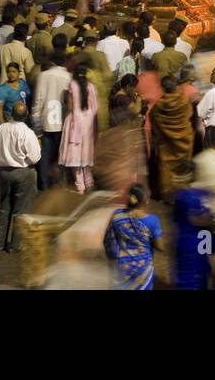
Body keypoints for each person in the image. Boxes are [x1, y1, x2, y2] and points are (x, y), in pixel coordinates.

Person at [0, 102, 40, 252]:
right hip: (23, 173)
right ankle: (15, 245)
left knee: (4, 208)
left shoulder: (1, 129)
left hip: (5, 172)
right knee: (21, 210)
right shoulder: (27, 133)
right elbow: (35, 158)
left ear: (11, 113)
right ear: (26, 116)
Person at [104, 183, 164, 290]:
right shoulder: (152, 220)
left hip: (122, 269)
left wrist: (113, 258)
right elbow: (160, 247)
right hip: (143, 271)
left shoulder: (117, 215)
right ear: (145, 200)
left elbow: (108, 240)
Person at [31, 49, 70, 190]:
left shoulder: (43, 76)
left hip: (46, 121)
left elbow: (38, 99)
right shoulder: (68, 77)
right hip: (62, 121)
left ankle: (44, 184)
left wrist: (35, 118)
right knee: (60, 156)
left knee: (44, 156)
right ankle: (58, 183)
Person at [150, 76, 194, 200]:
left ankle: (169, 196)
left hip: (167, 142)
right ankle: (184, 193)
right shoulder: (184, 100)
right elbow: (189, 114)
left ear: (163, 88)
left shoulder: (159, 105)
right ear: (175, 86)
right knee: (183, 168)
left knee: (166, 168)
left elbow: (154, 121)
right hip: (185, 139)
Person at [60, 63, 99, 193]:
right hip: (88, 122)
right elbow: (95, 107)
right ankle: (89, 182)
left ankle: (80, 186)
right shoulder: (91, 86)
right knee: (86, 154)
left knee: (75, 156)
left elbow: (71, 106)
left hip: (75, 121)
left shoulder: (72, 85)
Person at [0, 61, 30, 125]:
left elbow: (29, 98)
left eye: (13, 71)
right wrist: (2, 126)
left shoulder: (23, 83)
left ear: (19, 73)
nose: (11, 74)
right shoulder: (3, 89)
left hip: (25, 119)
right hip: (10, 120)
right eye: (8, 72)